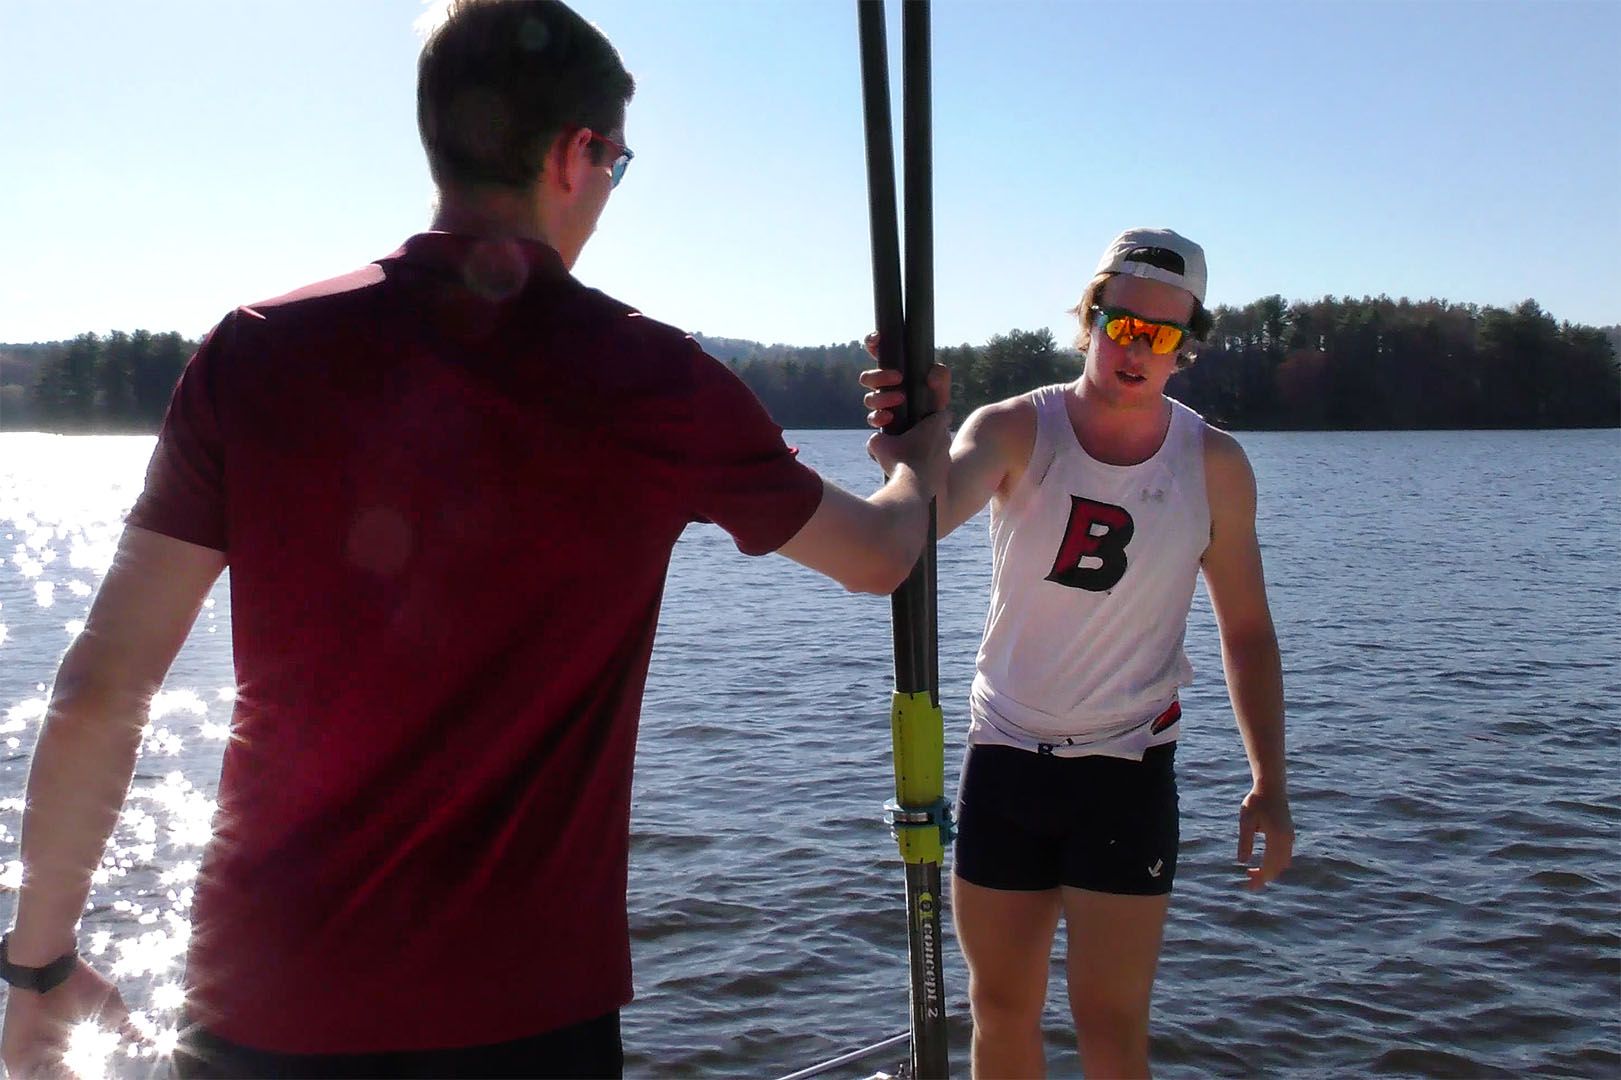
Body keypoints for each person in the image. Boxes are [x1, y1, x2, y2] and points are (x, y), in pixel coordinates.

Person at [0, 2, 951, 1077]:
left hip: (259, 1010)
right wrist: (920, 453)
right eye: (616, 163)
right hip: (524, 1017)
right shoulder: (653, 379)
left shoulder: (253, 353)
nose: (606, 192)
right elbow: (881, 555)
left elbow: (99, 692)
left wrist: (38, 971)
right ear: (574, 153)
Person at [860, 228, 1294, 1078]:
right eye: (1121, 323)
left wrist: (1269, 784)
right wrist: (910, 440)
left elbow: (1246, 631)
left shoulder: (1214, 465)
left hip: (1126, 774)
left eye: (1161, 334)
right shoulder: (1016, 430)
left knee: (1109, 1023)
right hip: (1006, 760)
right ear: (1090, 317)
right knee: (1001, 1010)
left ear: (1185, 347)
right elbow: (910, 525)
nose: (1135, 348)